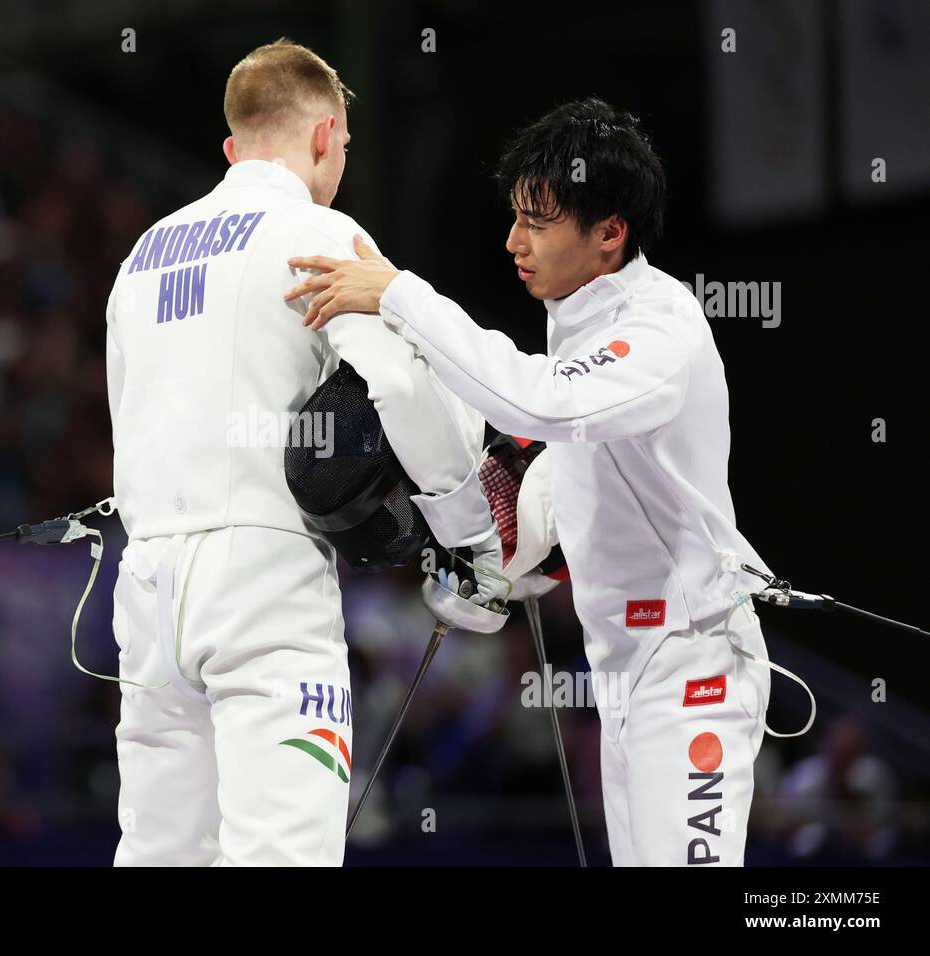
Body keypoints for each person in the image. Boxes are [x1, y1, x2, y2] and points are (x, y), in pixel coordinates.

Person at [285, 98, 776, 867]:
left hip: (693, 666)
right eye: (515, 216)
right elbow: (573, 460)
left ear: (609, 233)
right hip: (628, 666)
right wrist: (500, 554)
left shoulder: (660, 330)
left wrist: (398, 295)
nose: (515, 241)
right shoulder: (574, 311)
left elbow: (542, 402)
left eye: (538, 222)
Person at [102, 39, 502, 866]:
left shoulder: (141, 256)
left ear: (231, 147)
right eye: (346, 146)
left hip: (143, 592)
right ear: (324, 136)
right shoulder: (317, 231)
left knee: (157, 857)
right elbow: (402, 387)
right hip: (263, 583)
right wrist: (468, 536)